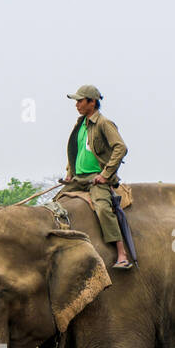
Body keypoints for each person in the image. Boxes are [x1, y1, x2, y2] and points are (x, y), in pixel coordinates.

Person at [57, 84, 132, 269]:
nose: (77, 105)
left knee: (103, 209)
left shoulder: (104, 123)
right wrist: (69, 173)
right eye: (76, 101)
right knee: (56, 204)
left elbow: (121, 148)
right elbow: (76, 151)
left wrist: (105, 175)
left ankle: (122, 254)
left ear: (92, 102)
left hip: (96, 179)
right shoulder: (80, 123)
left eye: (80, 101)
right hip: (78, 179)